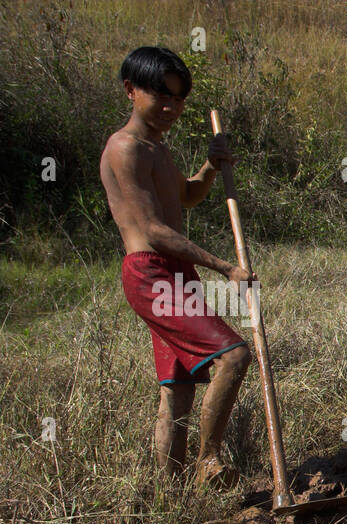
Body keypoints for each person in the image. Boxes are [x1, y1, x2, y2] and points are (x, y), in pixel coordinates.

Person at [99, 46, 252, 487]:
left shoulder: (156, 148)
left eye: (179, 98)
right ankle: (209, 462)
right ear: (131, 90)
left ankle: (172, 496)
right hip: (151, 272)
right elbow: (152, 229)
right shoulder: (125, 149)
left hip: (173, 272)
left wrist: (211, 165)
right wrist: (225, 267)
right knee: (235, 355)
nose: (171, 107)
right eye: (160, 96)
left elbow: (185, 197)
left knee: (178, 392)